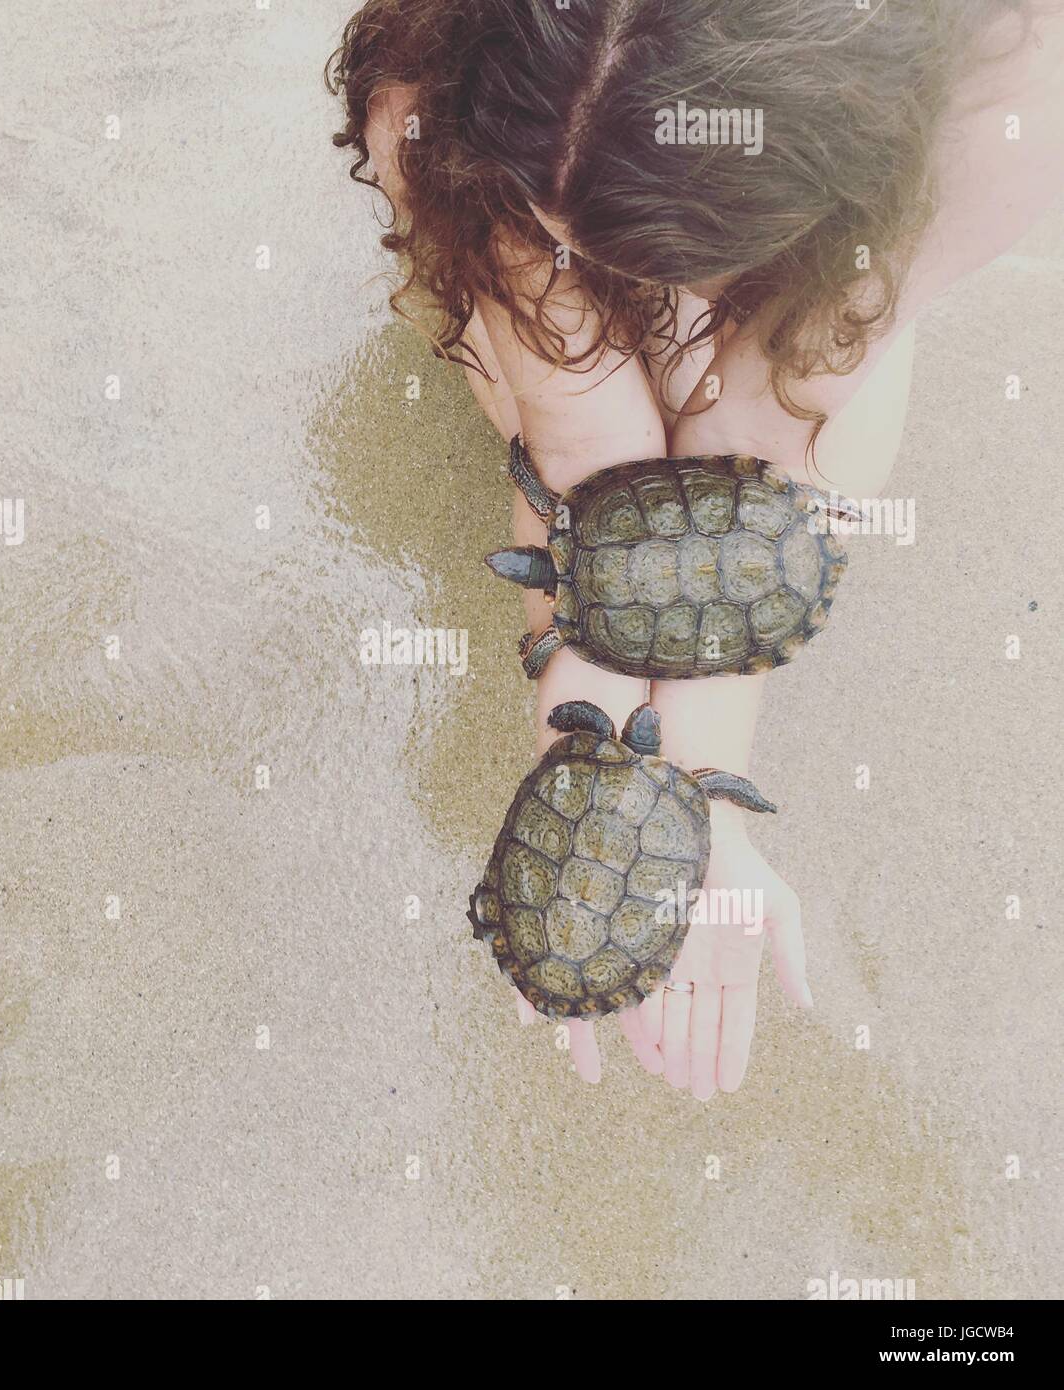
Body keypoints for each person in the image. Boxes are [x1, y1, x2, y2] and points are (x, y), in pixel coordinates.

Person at [328, 0, 1064, 1092]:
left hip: (823, 199)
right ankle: (566, 224)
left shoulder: (1005, 83)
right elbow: (585, 438)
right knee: (558, 369)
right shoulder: (432, 72)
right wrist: (582, 747)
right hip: (512, 143)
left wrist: (700, 792)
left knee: (835, 441)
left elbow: (756, 448)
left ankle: (711, 249)